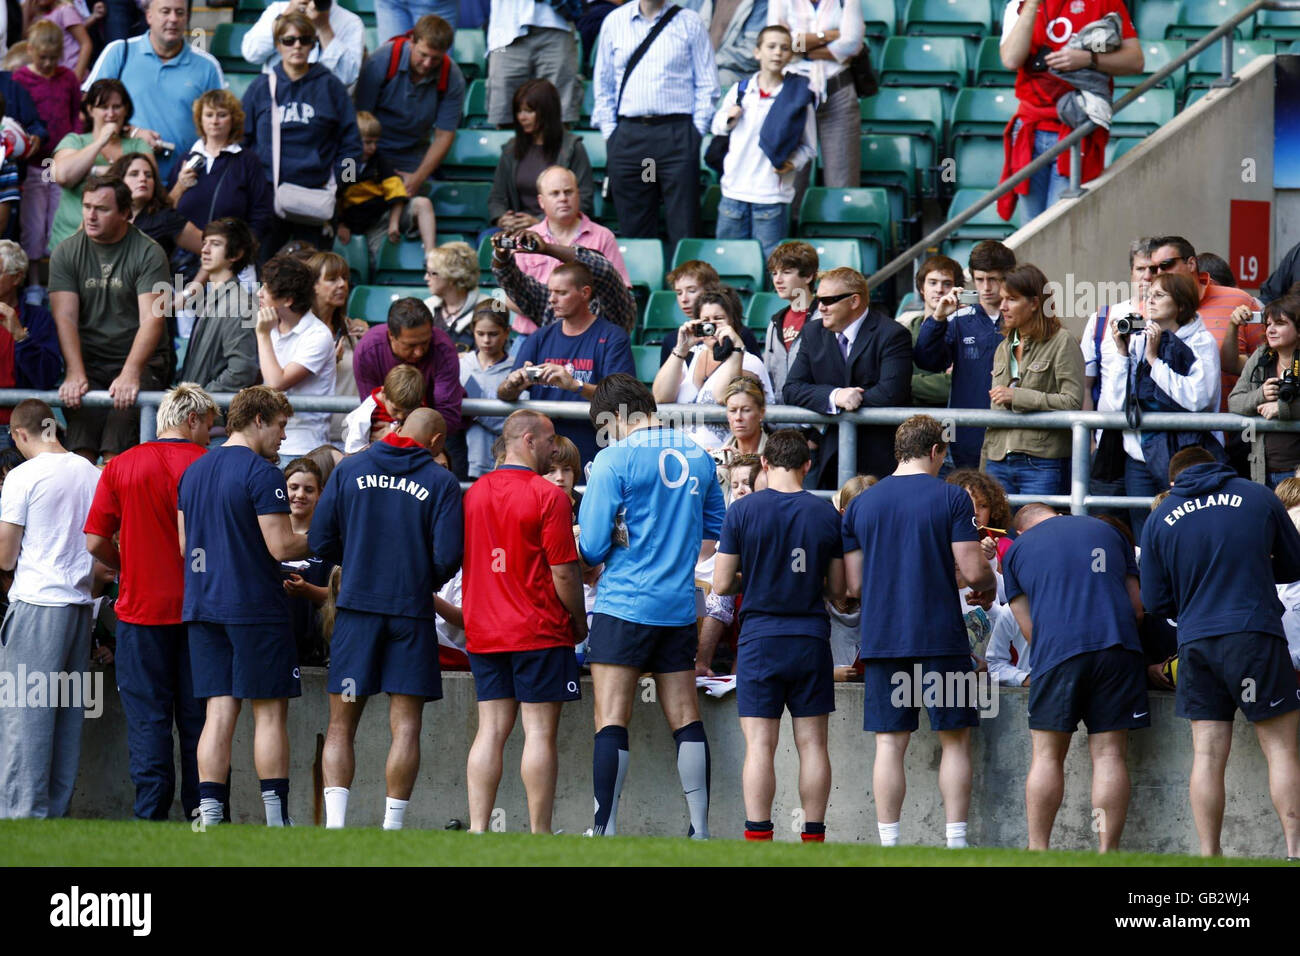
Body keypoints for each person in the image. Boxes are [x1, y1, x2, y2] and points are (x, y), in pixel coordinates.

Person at [579, 374, 726, 838]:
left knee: (611, 715)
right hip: (679, 606)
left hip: (624, 603)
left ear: (619, 416)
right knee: (685, 716)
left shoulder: (612, 459)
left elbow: (594, 547)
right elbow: (717, 526)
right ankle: (700, 831)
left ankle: (604, 828)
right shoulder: (699, 456)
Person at [842, 413, 996, 848]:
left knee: (890, 743)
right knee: (956, 740)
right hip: (941, 637)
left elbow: (852, 586)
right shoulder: (951, 498)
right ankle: (955, 841)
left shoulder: (861, 504)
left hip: (883, 635)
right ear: (935, 451)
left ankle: (888, 843)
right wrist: (984, 583)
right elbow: (971, 569)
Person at [1140, 454, 1300, 858]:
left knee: (1208, 756)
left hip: (1196, 642)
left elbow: (1155, 600)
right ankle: (1294, 851)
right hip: (1255, 633)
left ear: (1174, 478)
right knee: (1281, 751)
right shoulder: (1258, 497)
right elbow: (1295, 562)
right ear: (1219, 466)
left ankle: (1209, 855)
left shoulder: (1161, 517)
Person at [311, 407, 462, 830]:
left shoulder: (350, 467)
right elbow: (448, 557)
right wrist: (419, 577)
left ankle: (337, 827)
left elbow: (321, 539)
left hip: (356, 611)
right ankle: (391, 828)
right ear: (434, 442)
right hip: (411, 614)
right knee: (407, 725)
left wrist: (358, 562)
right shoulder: (442, 481)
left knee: (341, 724)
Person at [179, 385, 312, 827]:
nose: (283, 438)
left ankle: (211, 815)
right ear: (259, 420)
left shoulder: (193, 472)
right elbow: (281, 546)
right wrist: (330, 534)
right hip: (255, 608)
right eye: (280, 426)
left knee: (217, 711)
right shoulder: (262, 473)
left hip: (203, 606)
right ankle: (277, 823)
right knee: (269, 713)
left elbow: (185, 546)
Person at [83, 383, 216, 822]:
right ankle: (205, 816)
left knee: (148, 720)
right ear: (191, 419)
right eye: (209, 426)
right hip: (202, 615)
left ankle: (150, 818)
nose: (210, 436)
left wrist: (126, 565)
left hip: (140, 613)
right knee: (200, 722)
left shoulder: (121, 465)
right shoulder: (211, 465)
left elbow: (95, 541)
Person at [713, 428, 844, 843]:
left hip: (759, 638)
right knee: (813, 745)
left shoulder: (743, 511)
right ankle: (813, 836)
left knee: (759, 746)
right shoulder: (826, 515)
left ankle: (758, 836)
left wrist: (751, 580)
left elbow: (719, 584)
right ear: (807, 466)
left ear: (765, 465)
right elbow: (840, 591)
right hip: (809, 637)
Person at [462, 409, 587, 834]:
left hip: (485, 630)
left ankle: (479, 830)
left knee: (491, 730)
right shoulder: (548, 496)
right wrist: (579, 622)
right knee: (538, 733)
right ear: (529, 440)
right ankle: (539, 832)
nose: (556, 449)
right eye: (551, 440)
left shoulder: (474, 493)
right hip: (538, 629)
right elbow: (565, 573)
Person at [1002, 503, 1148, 852]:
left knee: (1047, 756)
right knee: (1110, 755)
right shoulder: (1108, 532)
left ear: (1021, 531)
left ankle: (1038, 849)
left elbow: (1028, 629)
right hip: (1117, 646)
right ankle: (1107, 850)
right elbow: (1137, 608)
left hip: (1058, 652)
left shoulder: (1018, 549)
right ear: (1060, 516)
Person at [0, 398, 100, 819]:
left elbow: (5, 556)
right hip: (80, 606)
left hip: (38, 605)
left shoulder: (23, 476)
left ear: (21, 434)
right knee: (65, 718)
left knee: (26, 718)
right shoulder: (92, 473)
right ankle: (52, 817)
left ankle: (22, 817)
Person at [51, 174, 170, 463]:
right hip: (88, 361)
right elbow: (64, 316)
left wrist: (130, 372)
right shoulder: (66, 251)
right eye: (87, 206)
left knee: (117, 441)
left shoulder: (149, 252)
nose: (91, 215)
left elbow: (152, 319)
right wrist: (74, 371)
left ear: (126, 214)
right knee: (80, 448)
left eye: (102, 209)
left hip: (142, 361)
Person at [1103, 271, 1223, 537]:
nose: (1150, 302)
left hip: (1187, 455)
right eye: (1148, 296)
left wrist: (1155, 361)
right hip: (1139, 454)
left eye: (1159, 296)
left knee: (1186, 532)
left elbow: (1197, 398)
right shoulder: (1139, 337)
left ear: (1180, 304)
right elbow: (1115, 404)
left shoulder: (1202, 342)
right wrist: (1122, 353)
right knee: (1144, 536)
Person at [997, 0, 1141, 220]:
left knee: (1058, 222)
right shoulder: (1019, 4)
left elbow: (1135, 61)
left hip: (1077, 127)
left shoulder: (1105, 2)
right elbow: (1011, 59)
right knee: (1031, 227)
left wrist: (1088, 59)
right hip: (1030, 128)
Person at [592, 0, 719, 249]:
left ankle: (682, 286)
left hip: (676, 134)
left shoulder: (689, 22)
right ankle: (641, 286)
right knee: (635, 222)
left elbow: (707, 84)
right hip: (631, 135)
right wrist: (612, 134)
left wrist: (696, 131)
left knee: (683, 222)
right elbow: (603, 83)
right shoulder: (615, 22)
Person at [495, 250, 635, 469]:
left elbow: (623, 399)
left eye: (560, 292)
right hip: (541, 451)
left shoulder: (613, 337)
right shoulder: (540, 337)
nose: (551, 299)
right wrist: (515, 383)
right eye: (550, 292)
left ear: (585, 293)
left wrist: (575, 385)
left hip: (593, 445)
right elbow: (503, 393)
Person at [241, 11, 362, 255]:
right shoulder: (261, 87)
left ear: (313, 44)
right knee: (264, 272)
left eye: (305, 40)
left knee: (315, 276)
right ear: (278, 45)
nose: (297, 46)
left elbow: (352, 146)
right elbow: (242, 142)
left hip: (316, 198)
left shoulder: (331, 86)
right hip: (268, 199)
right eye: (289, 40)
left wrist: (342, 184)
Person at [782, 266, 912, 488]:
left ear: (854, 301)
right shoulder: (812, 332)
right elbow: (792, 389)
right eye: (819, 300)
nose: (821, 307)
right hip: (829, 458)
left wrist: (853, 400)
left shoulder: (892, 334)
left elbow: (891, 393)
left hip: (880, 461)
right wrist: (835, 396)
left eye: (829, 300)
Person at [82, 0, 226, 181]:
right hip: (125, 184)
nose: (173, 19)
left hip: (188, 183)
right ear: (149, 15)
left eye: (179, 13)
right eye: (165, 12)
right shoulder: (119, 52)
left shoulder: (207, 66)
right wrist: (132, 132)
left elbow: (225, 125)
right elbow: (86, 111)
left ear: (187, 18)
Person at [710, 24, 815, 262]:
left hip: (771, 198)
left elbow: (809, 147)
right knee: (729, 264)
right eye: (771, 47)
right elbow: (716, 127)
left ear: (790, 55)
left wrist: (791, 164)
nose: (777, 53)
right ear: (757, 52)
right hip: (734, 193)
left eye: (784, 48)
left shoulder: (798, 95)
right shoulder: (741, 90)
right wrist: (729, 118)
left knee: (771, 269)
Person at [982, 263, 1084, 499]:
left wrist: (1018, 397)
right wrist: (984, 466)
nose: (1003, 306)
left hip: (1041, 461)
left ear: (1035, 303)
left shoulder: (1062, 341)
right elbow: (992, 415)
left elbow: (1072, 402)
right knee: (997, 535)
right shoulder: (1003, 347)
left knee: (1038, 534)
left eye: (1012, 299)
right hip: (997, 461)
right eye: (1002, 299)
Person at [914, 240, 1017, 469]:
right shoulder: (958, 319)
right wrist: (937, 319)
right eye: (979, 279)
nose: (986, 287)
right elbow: (928, 361)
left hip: (1015, 437)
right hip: (965, 437)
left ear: (1008, 276)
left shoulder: (1024, 319)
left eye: (994, 279)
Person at [353, 15, 465, 201]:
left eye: (435, 59)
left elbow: (444, 135)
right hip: (371, 149)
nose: (428, 64)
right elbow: (360, 118)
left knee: (413, 200)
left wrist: (417, 178)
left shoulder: (452, 77)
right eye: (423, 55)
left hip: (414, 156)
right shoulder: (383, 60)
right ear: (411, 42)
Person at [1081, 238, 1156, 514]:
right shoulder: (1102, 318)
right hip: (1108, 440)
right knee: (1106, 521)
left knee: (1147, 522)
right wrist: (1088, 439)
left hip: (1151, 442)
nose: (1147, 276)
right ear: (1131, 272)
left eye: (1154, 269)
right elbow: (1086, 386)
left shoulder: (1173, 319)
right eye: (1140, 269)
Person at [653, 286, 774, 450]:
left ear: (733, 322)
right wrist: (681, 349)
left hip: (727, 459)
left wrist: (736, 349)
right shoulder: (690, 357)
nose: (711, 327)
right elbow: (661, 396)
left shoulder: (748, 362)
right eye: (705, 320)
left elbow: (722, 395)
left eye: (718, 319)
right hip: (684, 458)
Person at [1148, 236, 1262, 395]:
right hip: (1159, 413)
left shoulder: (1239, 300)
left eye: (1166, 265)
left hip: (1233, 415)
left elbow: (1269, 360)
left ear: (1191, 264)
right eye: (1154, 269)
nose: (1159, 273)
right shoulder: (1148, 308)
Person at [166, 89, 274, 256]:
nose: (215, 121)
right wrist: (180, 186)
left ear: (233, 120)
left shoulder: (247, 161)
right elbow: (165, 209)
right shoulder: (185, 160)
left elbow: (261, 212)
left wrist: (245, 249)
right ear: (200, 119)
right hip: (183, 259)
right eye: (209, 115)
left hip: (230, 256)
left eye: (222, 115)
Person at [768, 0, 862, 191]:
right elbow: (779, 41)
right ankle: (794, 221)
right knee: (791, 177)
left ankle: (839, 219)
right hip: (794, 92)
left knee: (841, 178)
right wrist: (827, 36)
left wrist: (802, 48)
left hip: (837, 90)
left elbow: (852, 44)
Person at [48, 77, 149, 250]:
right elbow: (62, 175)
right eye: (103, 107)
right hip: (70, 242)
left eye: (117, 107)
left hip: (122, 243)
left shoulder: (138, 145)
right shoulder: (75, 141)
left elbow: (145, 189)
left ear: (126, 110)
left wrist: (94, 171)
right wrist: (101, 141)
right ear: (90, 110)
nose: (111, 114)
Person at [253, 253, 336, 460]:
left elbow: (276, 383)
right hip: (265, 440)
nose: (259, 294)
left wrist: (262, 335)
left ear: (288, 300)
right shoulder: (270, 325)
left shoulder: (318, 335)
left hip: (303, 446)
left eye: (267, 289)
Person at [352, 296, 464, 450]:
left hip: (436, 439)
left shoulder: (443, 348)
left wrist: (403, 437)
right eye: (410, 345)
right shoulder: (368, 350)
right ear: (391, 335)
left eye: (425, 342)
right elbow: (371, 408)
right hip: (381, 436)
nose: (419, 352)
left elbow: (447, 417)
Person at [14, 19, 81, 276]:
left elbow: (76, 114)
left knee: (59, 221)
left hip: (61, 163)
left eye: (54, 58)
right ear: (30, 50)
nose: (48, 64)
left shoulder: (68, 78)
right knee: (33, 222)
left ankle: (58, 278)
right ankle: (32, 281)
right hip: (34, 164)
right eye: (43, 57)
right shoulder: (21, 79)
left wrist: (73, 145)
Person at [487, 78, 594, 229]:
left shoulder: (572, 147)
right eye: (519, 111)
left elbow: (584, 200)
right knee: (489, 240)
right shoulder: (511, 148)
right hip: (517, 228)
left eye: (529, 111)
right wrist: (501, 218)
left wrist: (540, 222)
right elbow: (496, 197)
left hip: (560, 228)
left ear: (547, 111)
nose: (522, 117)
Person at [337, 110, 437, 263]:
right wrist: (341, 224)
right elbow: (341, 197)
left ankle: (431, 256)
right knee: (373, 260)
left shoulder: (379, 161)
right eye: (367, 142)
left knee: (423, 203)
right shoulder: (349, 163)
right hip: (361, 223)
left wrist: (393, 224)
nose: (373, 148)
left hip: (384, 215)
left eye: (376, 142)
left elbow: (396, 194)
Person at [511, 166, 629, 289]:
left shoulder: (603, 237)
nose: (563, 198)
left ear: (578, 195)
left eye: (568, 192)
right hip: (534, 307)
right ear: (541, 201)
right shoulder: (526, 238)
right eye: (555, 193)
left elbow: (621, 290)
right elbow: (512, 295)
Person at [179, 218, 260, 393]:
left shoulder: (239, 304)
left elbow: (242, 370)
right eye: (205, 243)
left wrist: (200, 399)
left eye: (215, 244)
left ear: (236, 254)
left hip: (209, 415)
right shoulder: (213, 298)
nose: (205, 250)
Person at [1228, 296, 1300, 488]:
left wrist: (1282, 408)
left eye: (1280, 323)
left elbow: (1284, 408)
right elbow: (1234, 401)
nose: (1271, 330)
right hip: (1262, 470)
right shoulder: (1261, 357)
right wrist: (1260, 395)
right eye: (1268, 324)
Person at [0, 240, 62, 444]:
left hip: (22, 431)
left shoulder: (39, 319)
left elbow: (46, 377)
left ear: (17, 277)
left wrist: (20, 336)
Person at [486, 0, 582, 129]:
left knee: (561, 113)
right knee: (503, 110)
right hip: (503, 31)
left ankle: (560, 149)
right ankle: (508, 149)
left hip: (559, 25)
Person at [305, 249, 365, 445]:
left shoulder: (353, 329)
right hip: (308, 439)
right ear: (313, 285)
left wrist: (368, 343)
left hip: (349, 438)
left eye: (345, 278)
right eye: (332, 279)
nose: (342, 284)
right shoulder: (299, 330)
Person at [280, 456, 334, 667]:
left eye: (308, 490)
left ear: (320, 494)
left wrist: (308, 590)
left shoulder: (330, 540)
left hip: (315, 646)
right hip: (276, 640)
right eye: (293, 487)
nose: (300, 495)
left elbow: (338, 595)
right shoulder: (266, 534)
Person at [656, 260, 761, 365]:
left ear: (710, 290)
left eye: (691, 291)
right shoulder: (673, 339)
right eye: (679, 293)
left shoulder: (740, 334)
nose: (684, 299)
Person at [241, 0, 364, 88]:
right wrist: (286, 16)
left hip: (323, 109)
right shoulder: (278, 10)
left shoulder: (350, 22)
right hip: (277, 103)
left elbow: (348, 77)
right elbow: (251, 54)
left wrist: (324, 28)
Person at [107, 150, 202, 259]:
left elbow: (210, 251)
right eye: (134, 174)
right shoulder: (104, 215)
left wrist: (179, 276)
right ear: (119, 181)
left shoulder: (166, 218)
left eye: (148, 175)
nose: (143, 179)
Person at [895, 254, 961, 410]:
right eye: (933, 283)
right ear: (921, 289)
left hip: (954, 421)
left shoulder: (966, 330)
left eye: (947, 284)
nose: (939, 290)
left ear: (956, 289)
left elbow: (956, 386)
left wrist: (904, 382)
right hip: (912, 420)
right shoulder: (903, 332)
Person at [459, 303, 512, 477]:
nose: (486, 340)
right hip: (462, 458)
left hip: (501, 462)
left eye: (493, 334)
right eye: (480, 334)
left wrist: (473, 408)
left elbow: (513, 422)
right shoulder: (461, 365)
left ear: (507, 332)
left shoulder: (515, 369)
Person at [761, 240, 815, 398]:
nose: (777, 280)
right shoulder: (775, 321)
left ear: (808, 276)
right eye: (774, 273)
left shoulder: (825, 317)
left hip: (814, 418)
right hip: (778, 418)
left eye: (786, 272)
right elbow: (768, 376)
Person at [341, 361, 424, 453]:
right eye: (395, 409)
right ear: (384, 394)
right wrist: (383, 442)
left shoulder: (418, 408)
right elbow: (351, 451)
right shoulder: (367, 413)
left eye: (407, 411)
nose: (401, 416)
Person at [423, 241, 484, 349]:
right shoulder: (427, 306)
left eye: (432, 273)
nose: (426, 278)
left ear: (451, 275)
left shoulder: (487, 308)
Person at [713, 374, 766, 493]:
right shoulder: (718, 458)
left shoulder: (775, 457)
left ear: (761, 413)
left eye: (746, 410)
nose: (738, 417)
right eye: (732, 410)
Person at [25, 0, 94, 81]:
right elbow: (25, 37)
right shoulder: (37, 17)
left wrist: (76, 78)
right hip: (53, 78)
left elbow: (85, 44)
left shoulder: (65, 11)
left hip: (71, 73)